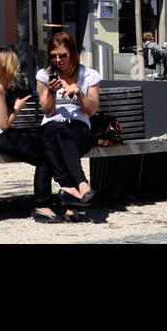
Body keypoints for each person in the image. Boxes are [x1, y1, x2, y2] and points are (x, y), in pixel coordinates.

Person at [0, 46, 64, 223]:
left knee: (45, 137)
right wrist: (17, 108)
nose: (15, 71)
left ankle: (67, 187)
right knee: (44, 156)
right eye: (13, 66)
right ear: (4, 66)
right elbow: (4, 125)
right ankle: (42, 205)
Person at [35, 31, 100, 209]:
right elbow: (48, 112)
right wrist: (52, 92)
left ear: (73, 53)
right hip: (51, 127)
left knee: (55, 140)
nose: (58, 60)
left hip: (79, 129)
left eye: (63, 55)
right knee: (55, 130)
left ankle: (64, 195)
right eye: (54, 56)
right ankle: (80, 186)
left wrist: (79, 92)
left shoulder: (89, 75)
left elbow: (92, 110)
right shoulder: (44, 75)